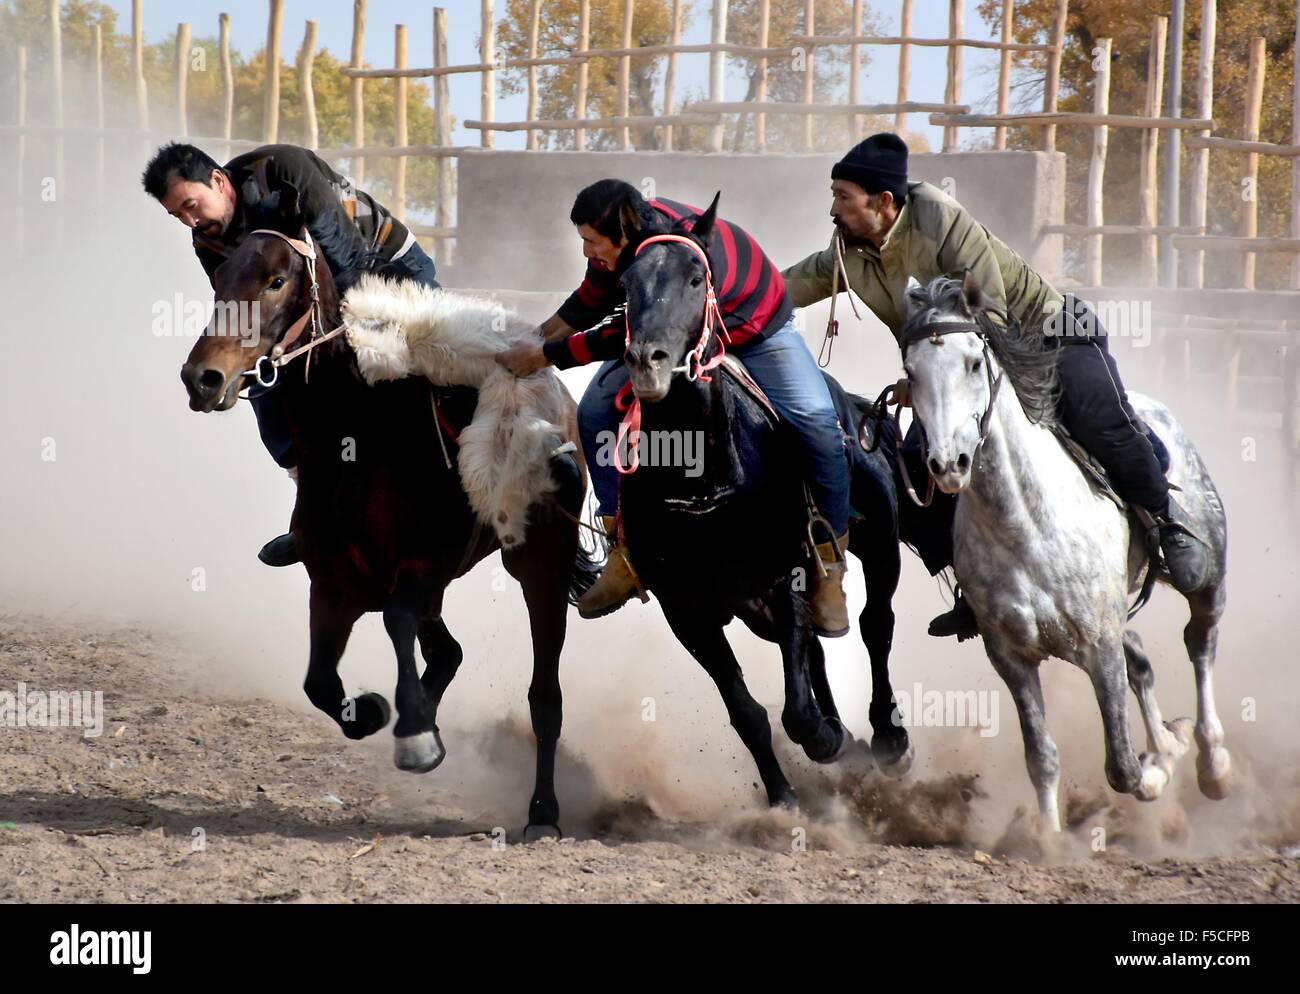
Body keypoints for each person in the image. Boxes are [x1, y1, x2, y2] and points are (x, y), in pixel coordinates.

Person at [782, 133, 1209, 640]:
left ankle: (1167, 524)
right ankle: (973, 586)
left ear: (884, 202)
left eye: (842, 196)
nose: (833, 208)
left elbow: (990, 311)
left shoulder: (939, 217)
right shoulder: (847, 254)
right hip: (959, 366)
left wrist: (932, 379)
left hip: (1048, 333)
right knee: (920, 457)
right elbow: (780, 287)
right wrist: (714, 283)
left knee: (1100, 420)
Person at [495, 180, 853, 636]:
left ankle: (828, 568)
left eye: (591, 241)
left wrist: (547, 356)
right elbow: (589, 302)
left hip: (755, 327)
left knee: (817, 422)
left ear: (623, 234)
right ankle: (623, 551)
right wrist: (533, 339)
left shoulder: (676, 254)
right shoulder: (623, 243)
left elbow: (626, 331)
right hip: (672, 337)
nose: (586, 252)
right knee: (593, 413)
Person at [142, 141, 440, 566]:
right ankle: (315, 508)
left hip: (384, 267)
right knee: (265, 380)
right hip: (308, 298)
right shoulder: (205, 240)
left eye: (192, 205)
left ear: (218, 180)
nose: (190, 220)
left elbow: (346, 260)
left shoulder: (283, 170)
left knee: (434, 360)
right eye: (178, 216)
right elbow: (239, 311)